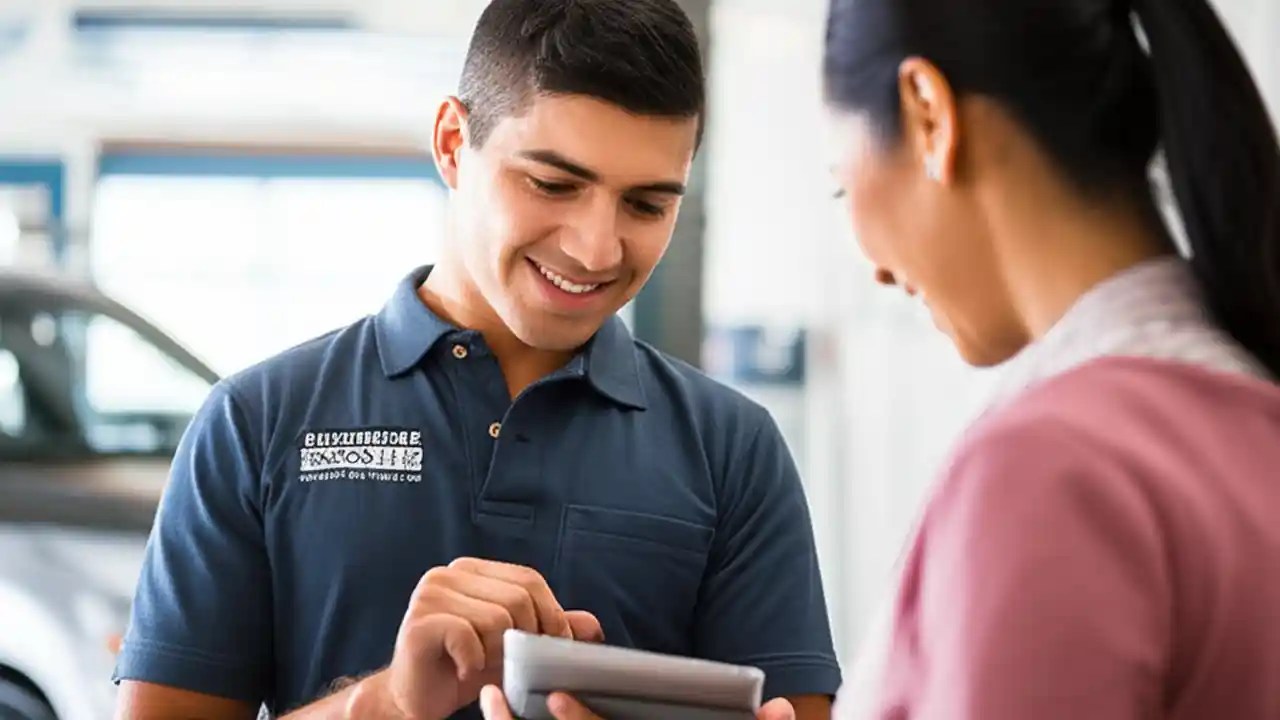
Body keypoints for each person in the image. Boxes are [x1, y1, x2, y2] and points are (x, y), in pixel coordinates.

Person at [111, 1, 842, 718]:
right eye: (553, 184)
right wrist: (387, 703)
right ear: (454, 143)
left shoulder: (732, 451)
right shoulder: (256, 423)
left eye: (646, 205)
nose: (596, 249)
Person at [815, 0, 1280, 718]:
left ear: (929, 114)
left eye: (843, 184)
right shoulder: (1252, 416)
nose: (874, 268)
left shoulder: (1049, 468)